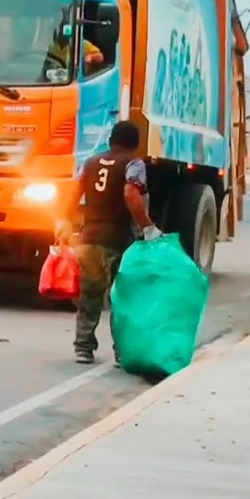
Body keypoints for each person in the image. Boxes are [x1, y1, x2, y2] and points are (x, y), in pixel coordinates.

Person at [58, 121, 162, 366]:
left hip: (89, 239)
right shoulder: (134, 164)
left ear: (111, 139)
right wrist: (148, 226)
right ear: (135, 143)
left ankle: (83, 348)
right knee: (121, 297)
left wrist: (64, 218)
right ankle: (121, 351)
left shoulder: (92, 162)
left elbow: (75, 191)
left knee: (90, 296)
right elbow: (130, 194)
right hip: (117, 240)